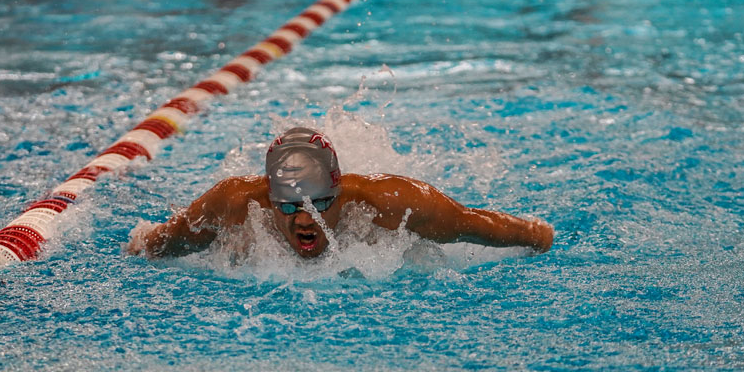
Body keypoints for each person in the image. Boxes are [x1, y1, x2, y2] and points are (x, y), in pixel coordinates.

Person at [126, 127, 553, 260]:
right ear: (270, 199)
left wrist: (538, 235)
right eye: (290, 206)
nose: (305, 219)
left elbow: (472, 224)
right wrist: (139, 245)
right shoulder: (235, 204)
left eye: (320, 205)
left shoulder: (391, 206)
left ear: (340, 193)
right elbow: (164, 241)